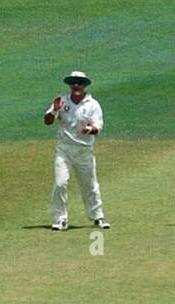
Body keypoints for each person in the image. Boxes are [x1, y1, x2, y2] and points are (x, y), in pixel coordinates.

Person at [44, 71, 109, 231]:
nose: (76, 86)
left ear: (85, 85)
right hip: (64, 150)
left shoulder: (93, 104)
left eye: (79, 83)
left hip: (84, 151)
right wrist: (54, 111)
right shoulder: (62, 102)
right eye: (73, 83)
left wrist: (89, 129)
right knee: (60, 184)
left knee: (90, 185)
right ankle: (60, 219)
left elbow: (97, 127)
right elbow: (47, 121)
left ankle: (97, 217)